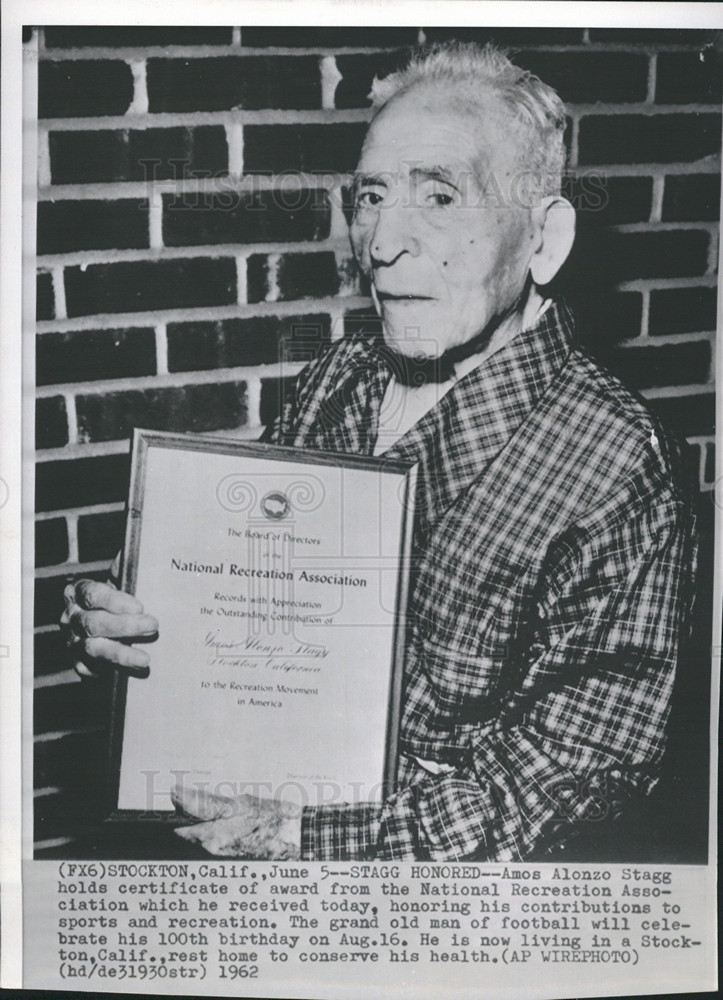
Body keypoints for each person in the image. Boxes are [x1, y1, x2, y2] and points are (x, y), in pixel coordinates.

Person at [61, 42, 697, 862]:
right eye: (370, 196)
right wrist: (131, 620)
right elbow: (251, 593)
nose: (383, 241)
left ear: (542, 240)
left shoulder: (616, 462)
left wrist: (311, 838)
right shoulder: (337, 377)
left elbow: (572, 778)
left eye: (439, 195)